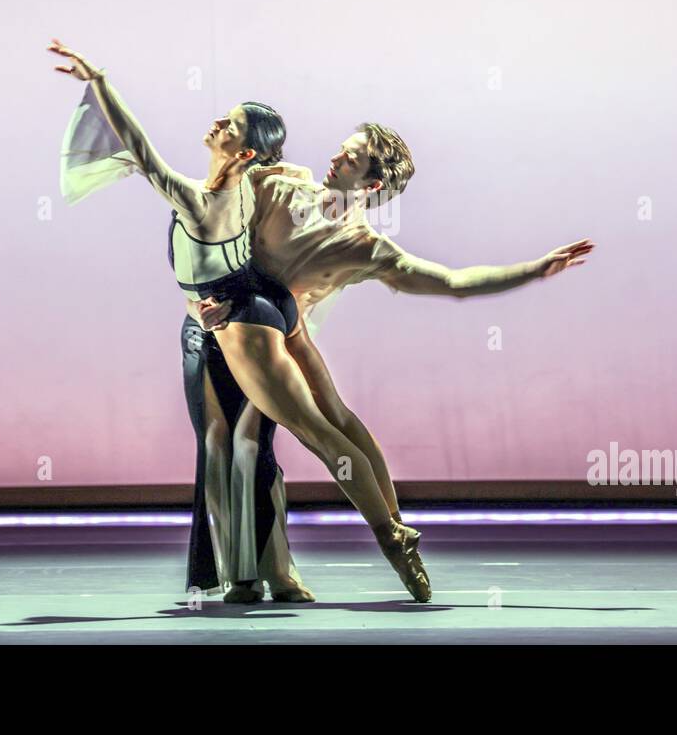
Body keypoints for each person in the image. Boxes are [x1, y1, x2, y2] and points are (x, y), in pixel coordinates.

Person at [51, 40, 431, 602]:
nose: (215, 126)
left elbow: (143, 150)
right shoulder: (263, 187)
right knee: (237, 442)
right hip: (227, 322)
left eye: (229, 124)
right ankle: (256, 571)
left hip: (251, 324)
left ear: (248, 151)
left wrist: (101, 82)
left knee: (266, 439)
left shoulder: (227, 200)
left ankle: (292, 565)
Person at [193, 125, 593, 589]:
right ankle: (342, 549)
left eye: (352, 157)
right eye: (343, 148)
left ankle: (393, 533)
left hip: (284, 334)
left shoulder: (365, 247)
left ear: (372, 184)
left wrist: (534, 270)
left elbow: (453, 282)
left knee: (337, 423)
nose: (337, 157)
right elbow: (214, 231)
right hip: (232, 321)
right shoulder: (281, 184)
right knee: (265, 437)